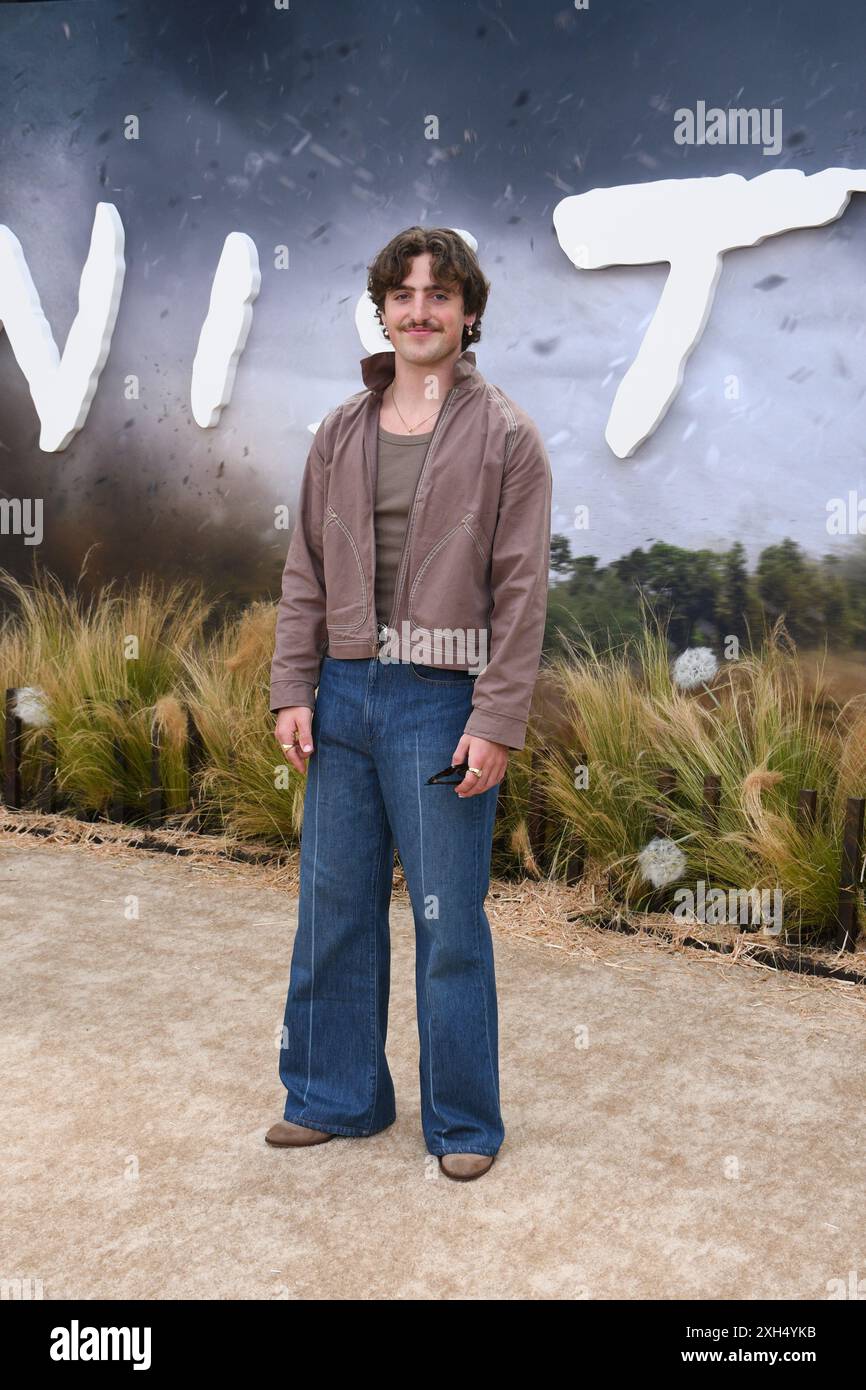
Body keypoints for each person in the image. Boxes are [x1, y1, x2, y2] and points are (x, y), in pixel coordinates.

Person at [265, 226, 552, 1181]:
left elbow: (521, 595)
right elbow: (303, 571)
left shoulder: (507, 434)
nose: (420, 310)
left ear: (470, 316)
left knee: (448, 920)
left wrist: (496, 720)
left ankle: (465, 1123)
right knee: (334, 904)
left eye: (441, 295)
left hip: (443, 700)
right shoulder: (340, 431)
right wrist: (291, 690)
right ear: (381, 308)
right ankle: (332, 1097)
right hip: (342, 694)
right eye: (403, 293)